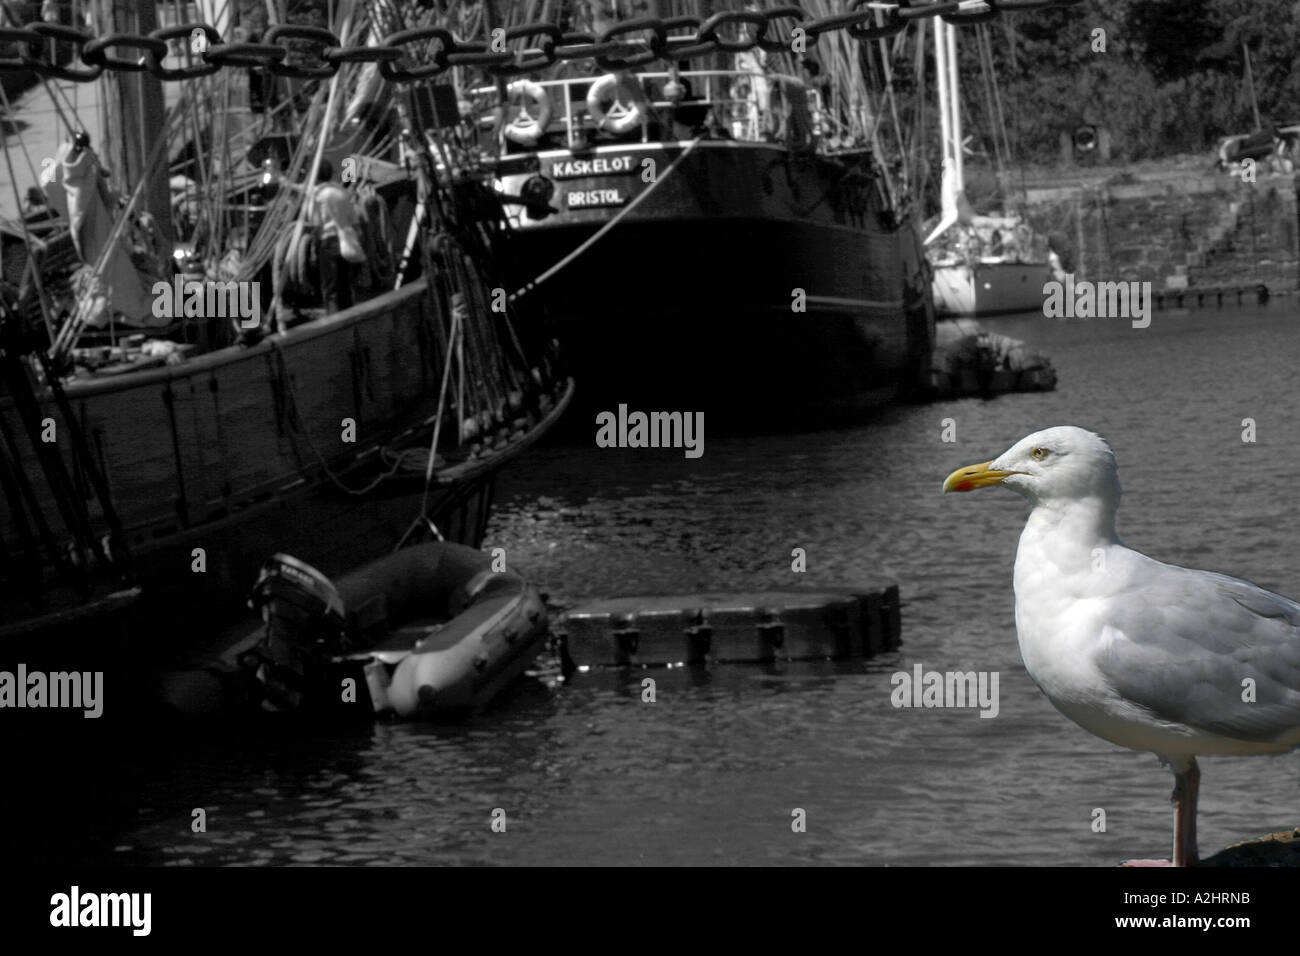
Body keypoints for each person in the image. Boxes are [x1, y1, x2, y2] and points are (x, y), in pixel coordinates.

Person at [310, 159, 364, 312]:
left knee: (330, 289)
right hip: (346, 242)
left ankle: (334, 321)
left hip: (328, 243)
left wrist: (314, 249)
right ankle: (349, 318)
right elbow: (354, 221)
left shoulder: (317, 195)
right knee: (345, 286)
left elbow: (316, 226)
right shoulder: (342, 192)